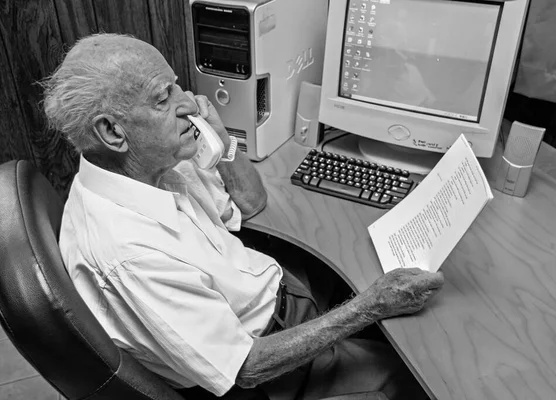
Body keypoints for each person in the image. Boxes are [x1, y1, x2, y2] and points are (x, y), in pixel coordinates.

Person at [43, 33, 444, 400]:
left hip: (278, 295)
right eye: (163, 99)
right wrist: (369, 306)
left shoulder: (152, 165)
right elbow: (246, 367)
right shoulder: (129, 253)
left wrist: (221, 140)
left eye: (177, 84)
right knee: (416, 373)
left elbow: (250, 203)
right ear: (113, 132)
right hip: (273, 365)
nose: (189, 103)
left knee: (402, 320)